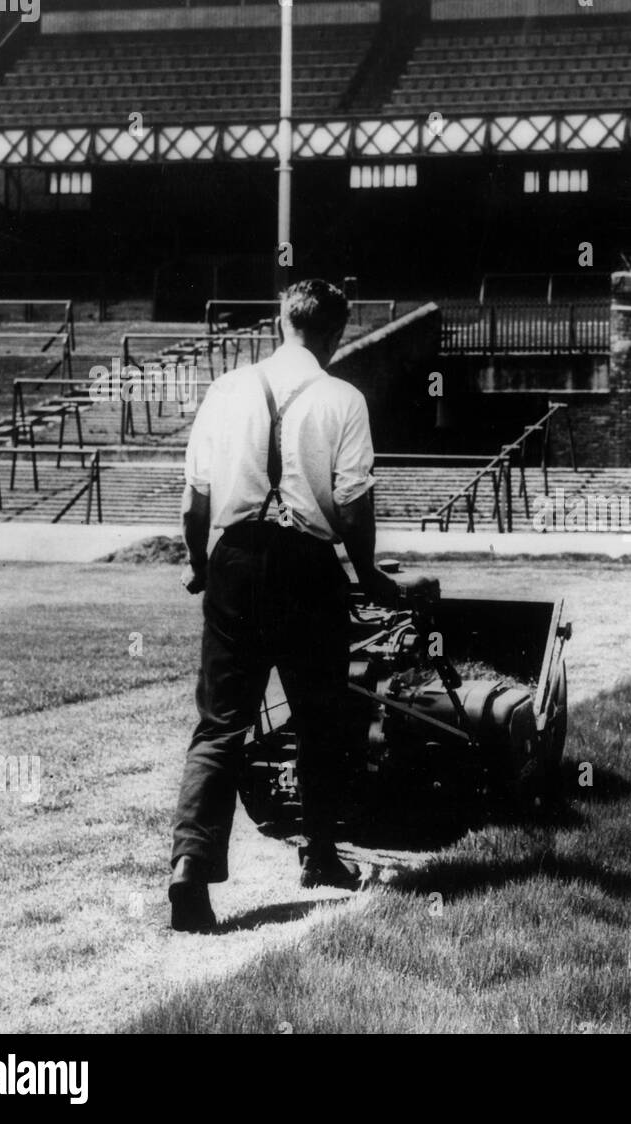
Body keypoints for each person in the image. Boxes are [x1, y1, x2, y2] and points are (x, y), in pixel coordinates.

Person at [168, 279, 400, 934]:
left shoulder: (226, 390)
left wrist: (199, 567)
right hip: (306, 568)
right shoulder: (343, 398)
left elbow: (195, 502)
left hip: (235, 562)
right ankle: (320, 855)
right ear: (337, 333)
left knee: (220, 724)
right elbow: (353, 505)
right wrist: (368, 575)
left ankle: (191, 865)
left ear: (280, 322)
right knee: (321, 719)